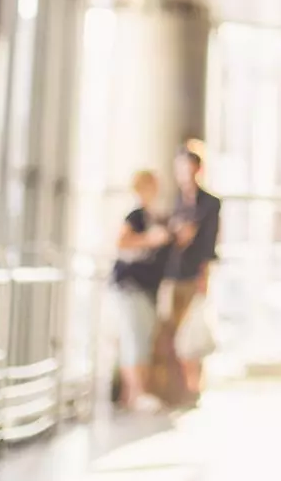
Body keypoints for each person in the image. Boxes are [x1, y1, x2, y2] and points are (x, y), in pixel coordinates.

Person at [161, 145, 222, 405]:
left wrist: (204, 277)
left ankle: (193, 389)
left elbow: (208, 243)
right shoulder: (177, 201)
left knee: (193, 334)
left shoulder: (209, 203)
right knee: (174, 333)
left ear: (198, 168)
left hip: (194, 274)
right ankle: (177, 389)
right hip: (174, 274)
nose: (183, 173)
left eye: (187, 167)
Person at [112, 169, 171, 413]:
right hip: (131, 287)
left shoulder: (152, 216)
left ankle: (131, 395)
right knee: (134, 340)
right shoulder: (136, 216)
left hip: (147, 288)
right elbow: (122, 242)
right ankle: (137, 394)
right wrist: (150, 240)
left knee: (141, 338)